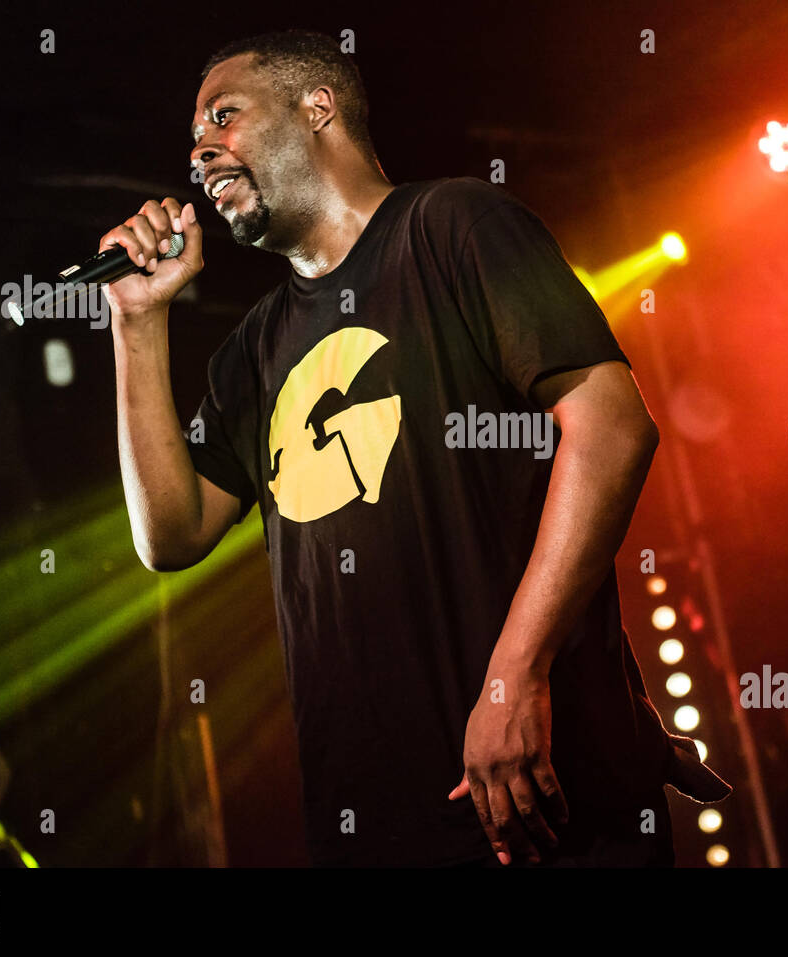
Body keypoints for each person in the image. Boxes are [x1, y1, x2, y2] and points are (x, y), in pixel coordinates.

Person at [101, 29, 728, 867]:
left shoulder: (454, 226)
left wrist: (516, 676)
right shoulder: (253, 350)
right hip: (374, 825)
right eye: (193, 134)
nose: (199, 150)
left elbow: (612, 426)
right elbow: (169, 536)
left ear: (316, 107)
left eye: (224, 115)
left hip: (540, 799)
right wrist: (137, 323)